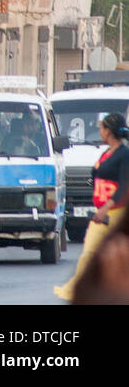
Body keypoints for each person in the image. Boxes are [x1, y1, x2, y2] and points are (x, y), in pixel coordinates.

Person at [57, 112, 129, 301]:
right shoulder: (107, 153)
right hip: (102, 210)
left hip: (114, 211)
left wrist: (106, 207)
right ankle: (77, 287)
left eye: (101, 129)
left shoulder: (124, 154)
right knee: (90, 250)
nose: (99, 132)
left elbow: (124, 186)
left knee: (98, 250)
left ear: (109, 131)